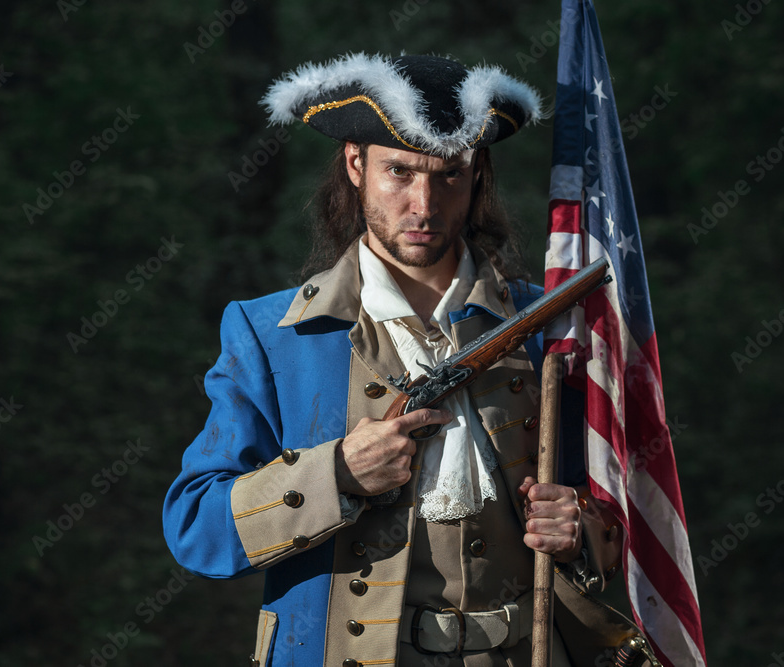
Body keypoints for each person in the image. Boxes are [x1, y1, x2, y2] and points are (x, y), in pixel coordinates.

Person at [163, 52, 654, 667]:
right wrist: (337, 474)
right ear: (355, 164)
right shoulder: (270, 335)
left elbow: (630, 501)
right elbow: (197, 529)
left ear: (477, 174)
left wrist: (580, 529)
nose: (424, 204)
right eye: (399, 171)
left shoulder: (555, 324)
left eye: (448, 174)